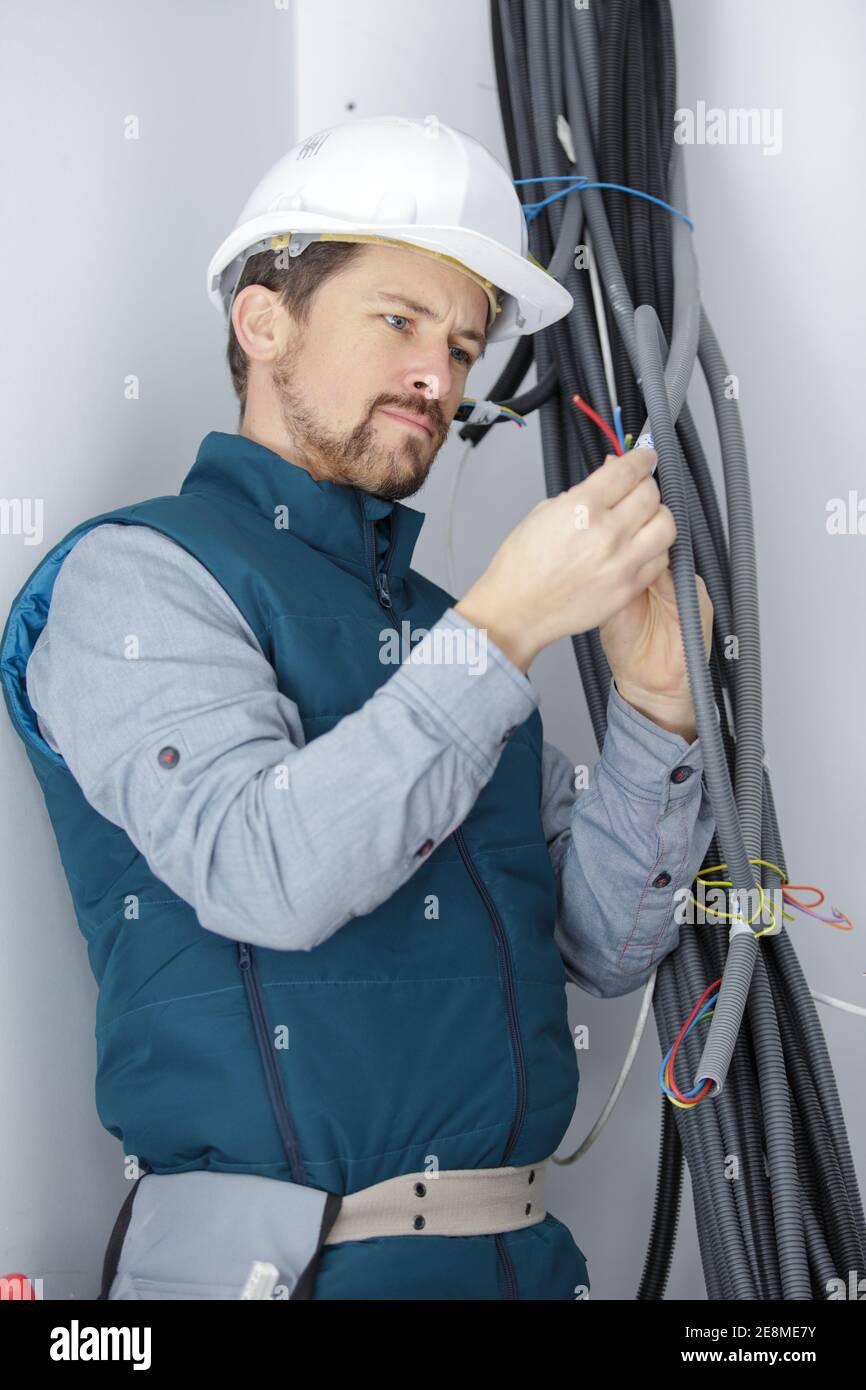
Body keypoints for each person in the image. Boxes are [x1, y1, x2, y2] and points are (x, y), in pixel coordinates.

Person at [2, 116, 714, 1300]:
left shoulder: (453, 627)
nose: (438, 377)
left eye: (464, 345)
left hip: (525, 1259)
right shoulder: (138, 576)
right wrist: (499, 631)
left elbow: (597, 944)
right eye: (397, 319)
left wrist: (653, 713)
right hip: (281, 1270)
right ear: (263, 319)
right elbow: (262, 868)